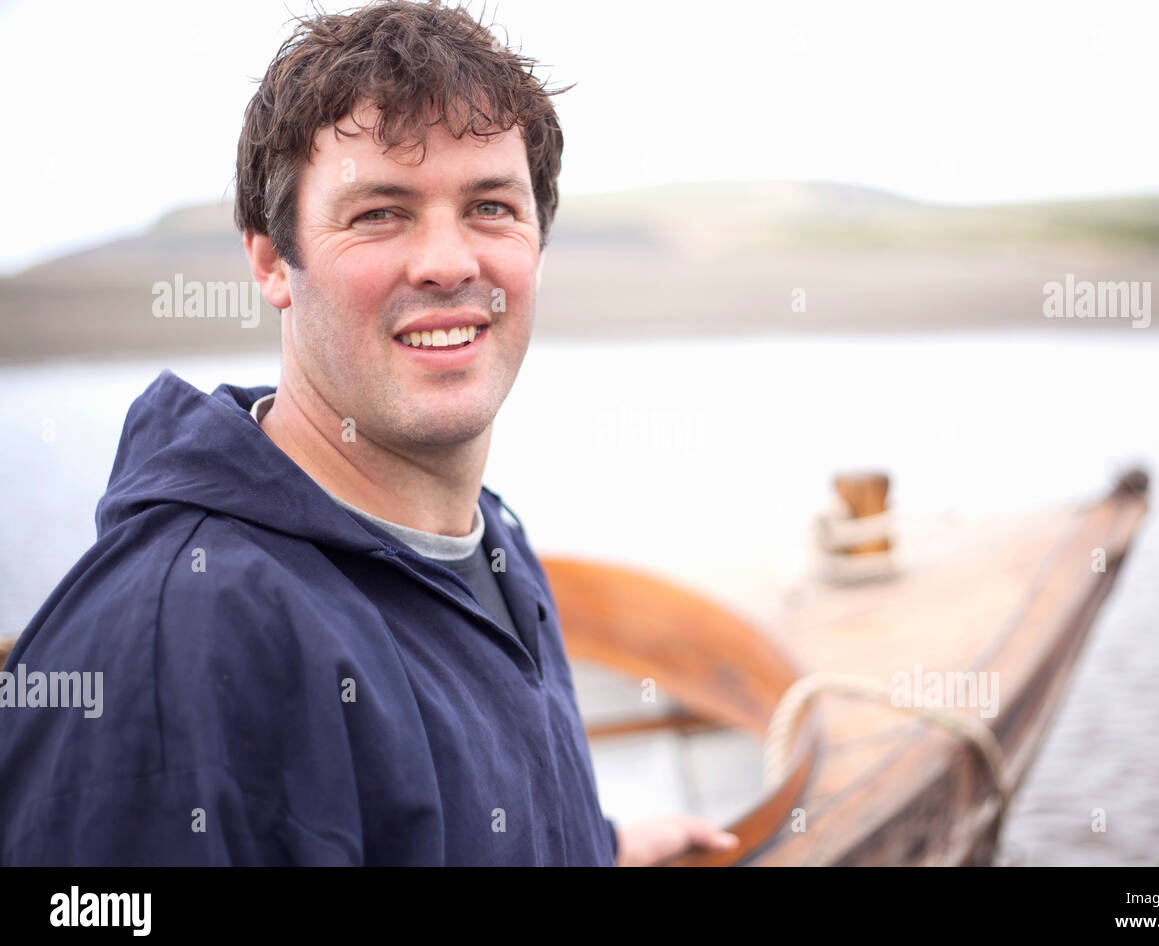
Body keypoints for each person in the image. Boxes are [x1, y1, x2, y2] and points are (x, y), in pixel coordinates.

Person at [0, 0, 738, 866]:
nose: (449, 262)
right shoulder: (179, 644)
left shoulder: (486, 540)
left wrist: (594, 843)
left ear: (537, 243)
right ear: (272, 262)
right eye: (380, 213)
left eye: (491, 207)